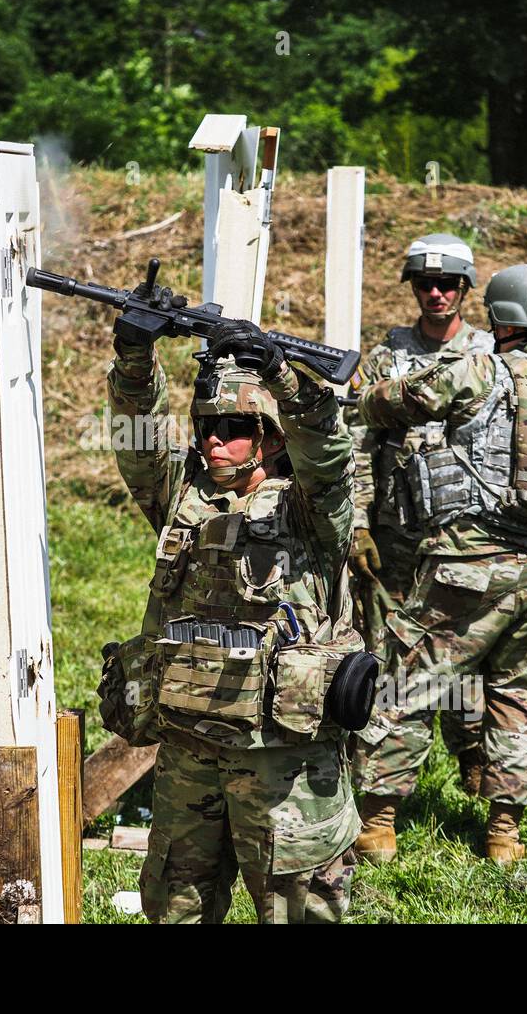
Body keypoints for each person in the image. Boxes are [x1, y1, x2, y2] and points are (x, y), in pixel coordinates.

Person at [100, 314, 363, 923]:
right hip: (190, 747)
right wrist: (135, 357)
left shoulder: (312, 511)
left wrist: (283, 378)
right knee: (175, 904)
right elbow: (136, 441)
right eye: (207, 427)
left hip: (281, 757)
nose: (216, 440)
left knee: (298, 908)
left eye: (236, 428)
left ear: (270, 435)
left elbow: (328, 455)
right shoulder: (185, 497)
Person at [348, 264, 527, 863]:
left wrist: (367, 397)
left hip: (468, 565)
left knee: (406, 683)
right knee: (521, 699)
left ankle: (380, 826)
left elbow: (401, 401)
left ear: (501, 317)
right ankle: (503, 837)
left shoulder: (480, 368)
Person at [346, 235, 494, 832]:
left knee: (470, 656)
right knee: (393, 664)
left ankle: (481, 772)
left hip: (474, 538)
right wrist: (358, 523)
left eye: (448, 285)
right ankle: (382, 802)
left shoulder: (490, 355)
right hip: (399, 542)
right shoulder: (388, 358)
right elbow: (357, 444)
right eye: (424, 285)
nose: (436, 294)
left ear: (465, 290)